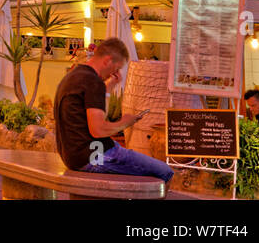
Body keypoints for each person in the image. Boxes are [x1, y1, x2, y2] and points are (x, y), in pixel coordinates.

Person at [54, 37, 173, 184]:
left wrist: (110, 87)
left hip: (74, 158)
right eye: (116, 68)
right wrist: (125, 122)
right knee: (165, 171)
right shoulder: (93, 81)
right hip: (95, 156)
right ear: (108, 60)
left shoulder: (74, 76)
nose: (115, 73)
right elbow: (98, 130)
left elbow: (97, 114)